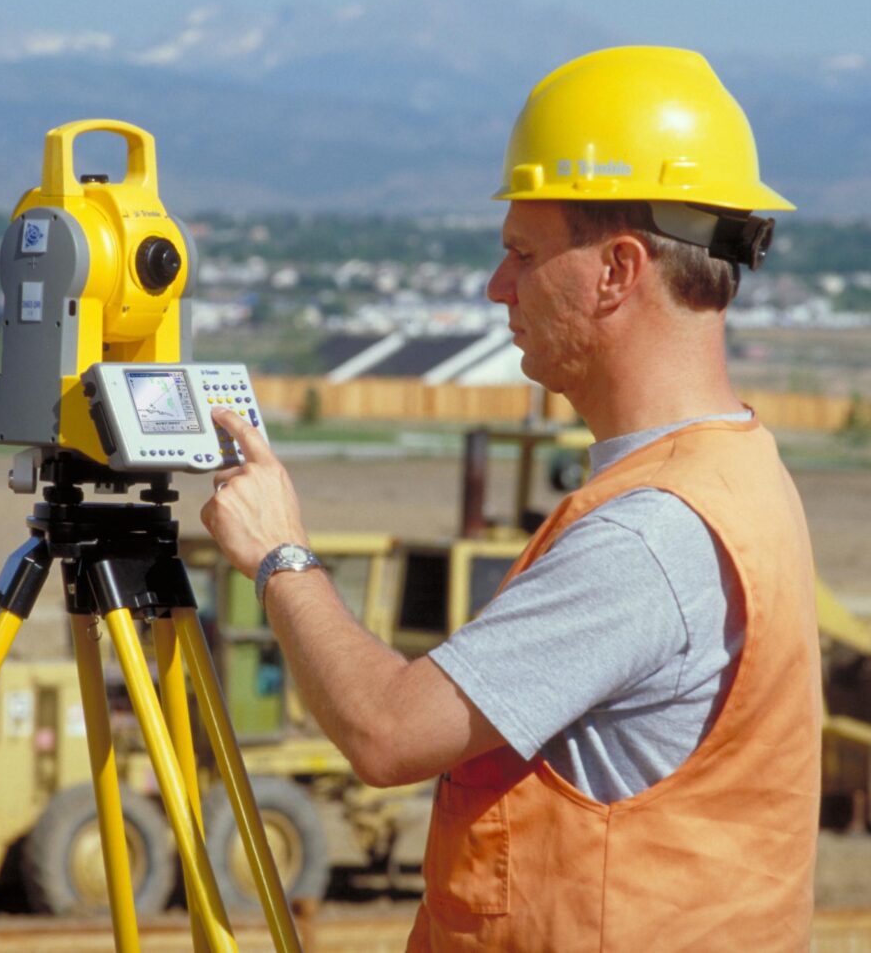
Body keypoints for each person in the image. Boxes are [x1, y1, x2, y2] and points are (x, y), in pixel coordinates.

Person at [200, 46, 821, 951]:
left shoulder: (649, 535)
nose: (499, 288)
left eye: (523, 254)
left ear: (616, 271)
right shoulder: (740, 470)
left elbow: (386, 734)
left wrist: (280, 555)